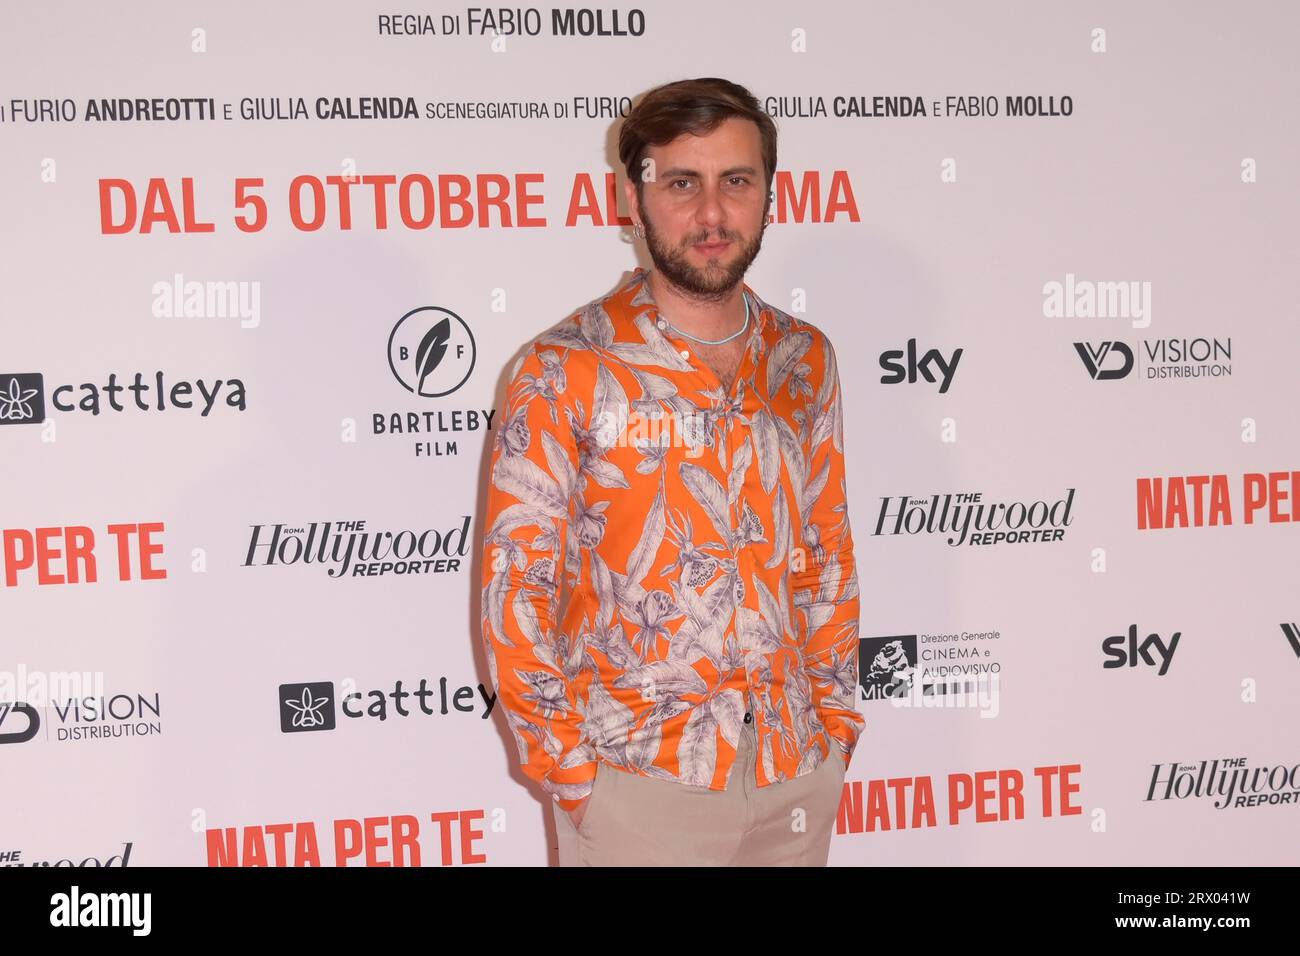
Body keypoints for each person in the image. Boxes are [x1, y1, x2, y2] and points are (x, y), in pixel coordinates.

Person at [480, 77, 863, 866]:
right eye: (682, 183)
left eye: (736, 181)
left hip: (795, 775)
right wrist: (574, 776)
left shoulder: (803, 359)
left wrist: (835, 728)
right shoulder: (563, 369)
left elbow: (826, 553)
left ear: (768, 193)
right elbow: (515, 587)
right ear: (632, 198)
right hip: (637, 783)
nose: (712, 214)